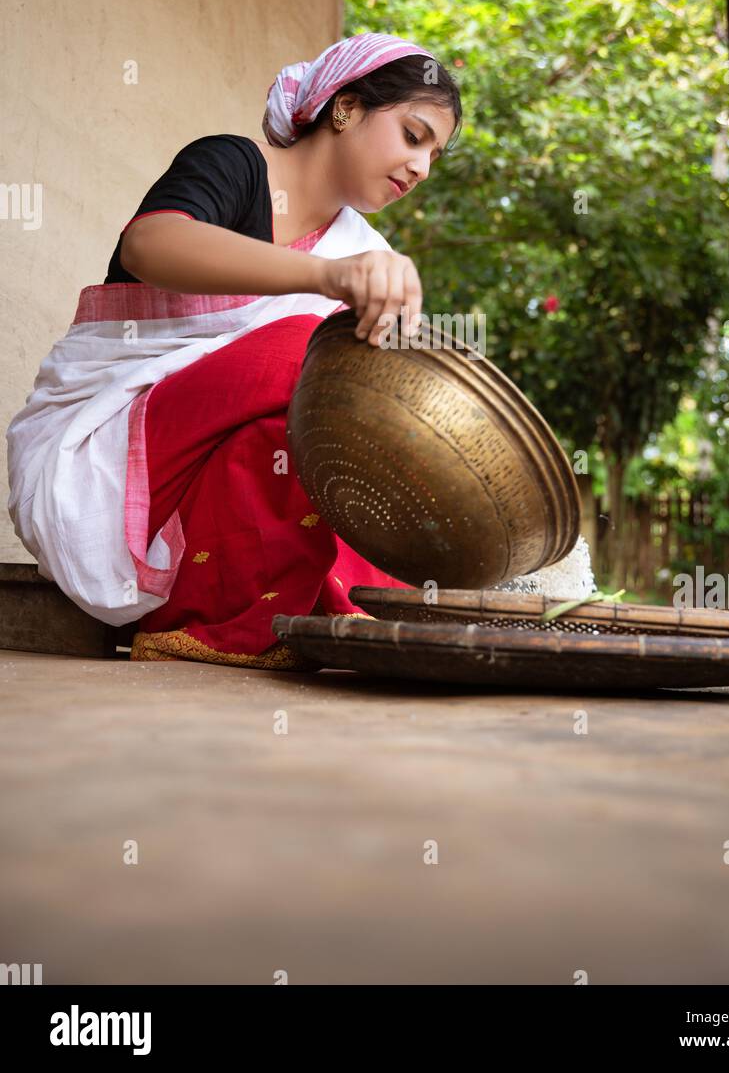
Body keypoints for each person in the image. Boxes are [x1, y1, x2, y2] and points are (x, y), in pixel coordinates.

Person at [6, 33, 462, 669]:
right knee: (320, 355)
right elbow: (151, 245)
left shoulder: (363, 248)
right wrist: (326, 281)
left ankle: (295, 616)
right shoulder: (234, 164)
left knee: (365, 415)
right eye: (414, 136)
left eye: (435, 155)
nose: (422, 169)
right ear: (347, 108)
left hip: (212, 504)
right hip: (107, 453)